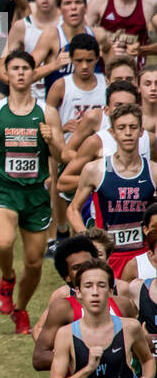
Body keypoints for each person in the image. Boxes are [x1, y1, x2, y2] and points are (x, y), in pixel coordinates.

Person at [0, 50, 66, 334]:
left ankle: (22, 308)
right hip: (3, 190)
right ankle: (6, 278)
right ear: (7, 74)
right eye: (14, 68)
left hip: (36, 195)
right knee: (3, 243)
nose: (20, 73)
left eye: (26, 68)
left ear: (33, 73)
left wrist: (50, 141)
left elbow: (61, 155)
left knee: (35, 262)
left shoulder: (47, 113)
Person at [68, 102, 156, 278]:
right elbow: (72, 209)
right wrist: (89, 240)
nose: (128, 133)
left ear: (141, 132)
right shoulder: (95, 170)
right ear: (113, 133)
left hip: (144, 256)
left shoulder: (154, 171)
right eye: (122, 128)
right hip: (109, 257)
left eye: (133, 127)